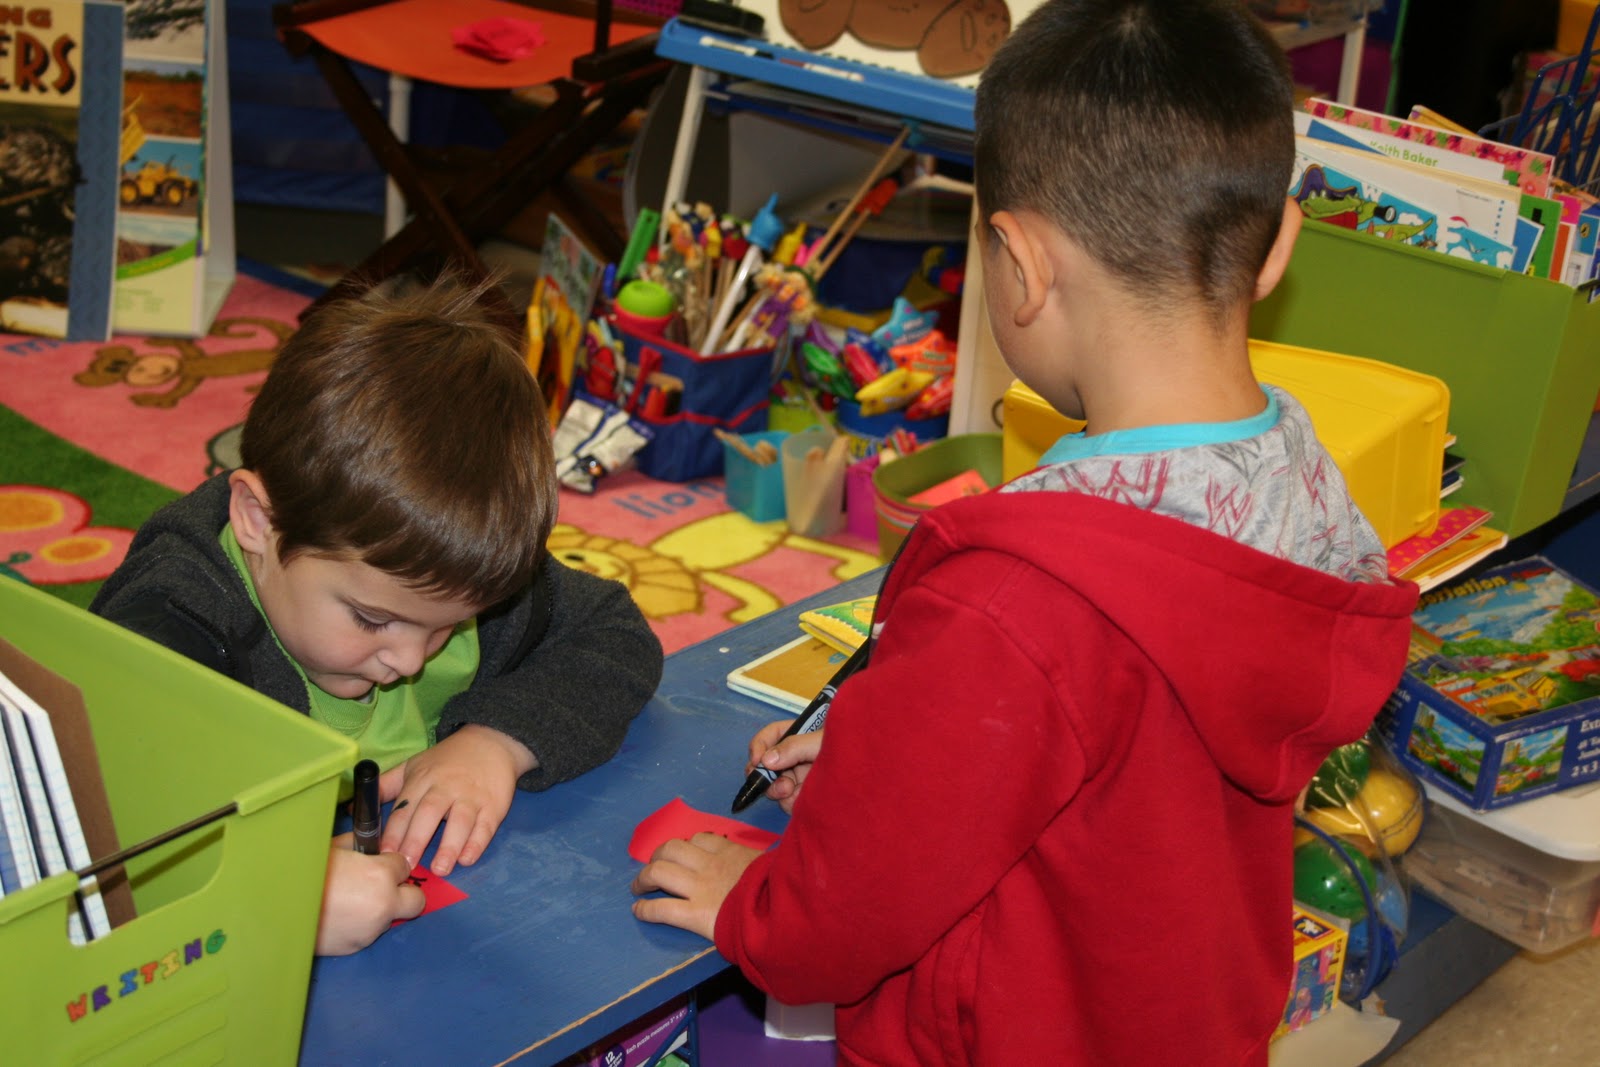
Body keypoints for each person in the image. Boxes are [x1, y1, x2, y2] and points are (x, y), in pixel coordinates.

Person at [629, 1, 1421, 1062]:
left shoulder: (1012, 598)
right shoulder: (1308, 482)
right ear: (1280, 243)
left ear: (1019, 262)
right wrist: (897, 763)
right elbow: (1123, 768)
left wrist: (756, 902)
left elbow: (843, 921)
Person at [94, 272, 663, 956]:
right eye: (370, 619)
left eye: (448, 626)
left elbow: (616, 633)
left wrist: (497, 740)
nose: (412, 659)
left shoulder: (441, 573)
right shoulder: (163, 637)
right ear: (257, 522)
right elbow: (100, 857)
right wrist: (277, 904)